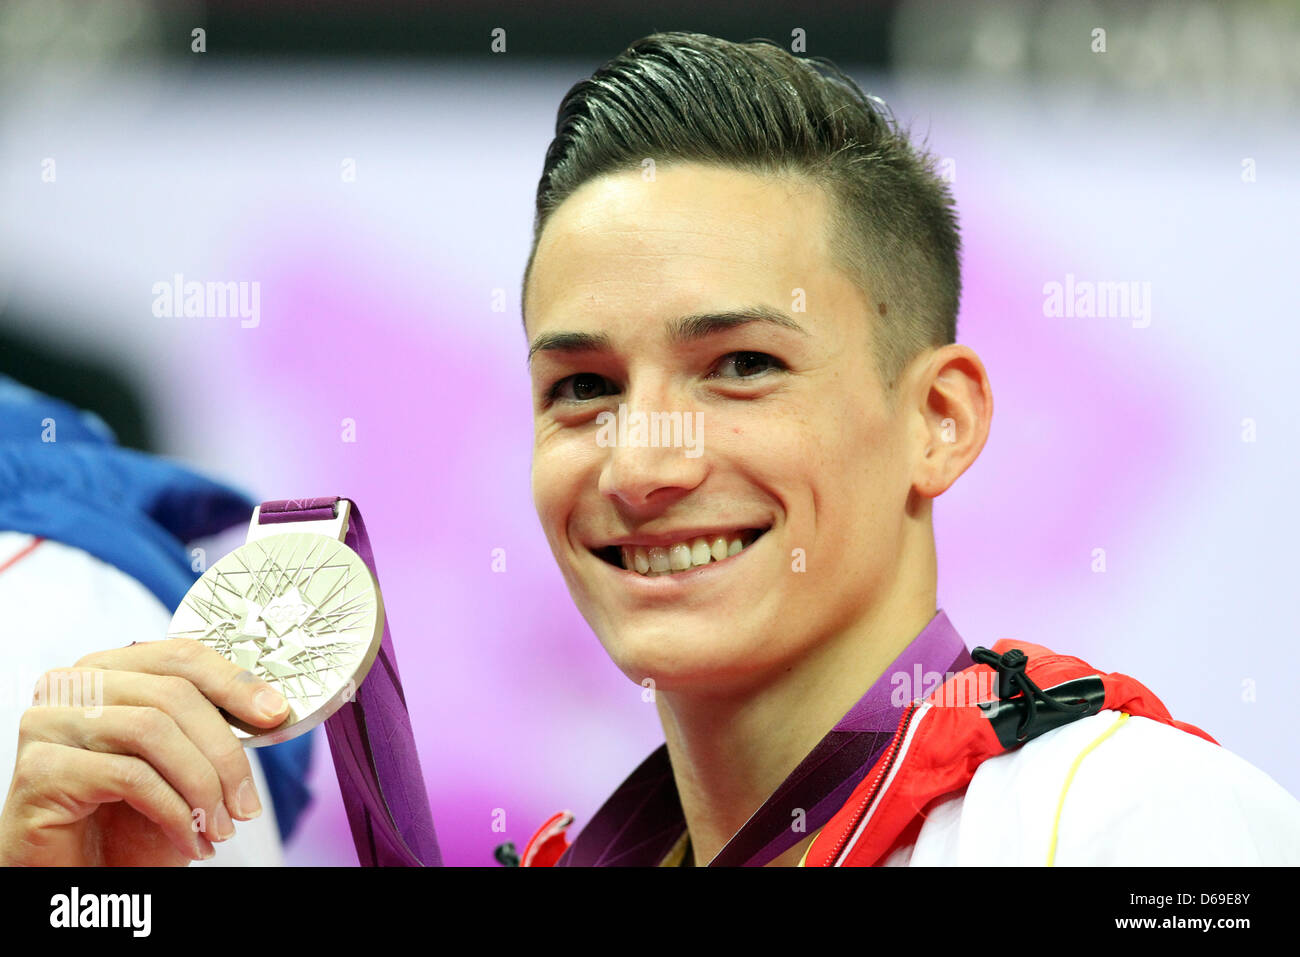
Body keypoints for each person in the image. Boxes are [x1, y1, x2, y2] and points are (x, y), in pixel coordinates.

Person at [2, 31, 1297, 867]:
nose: (645, 458)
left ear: (939, 419)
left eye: (741, 365)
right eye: (582, 386)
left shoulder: (1134, 830)